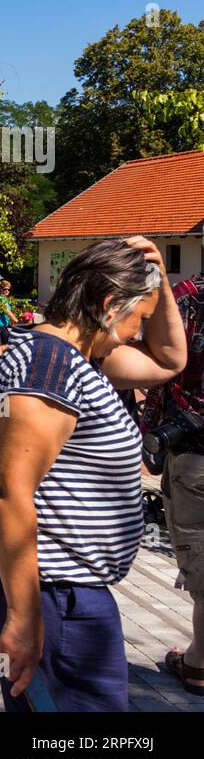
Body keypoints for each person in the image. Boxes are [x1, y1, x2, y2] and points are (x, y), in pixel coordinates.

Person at [0, 236, 186, 712]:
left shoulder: (73, 353)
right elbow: (10, 490)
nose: (138, 333)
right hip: (54, 590)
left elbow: (170, 361)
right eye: (139, 319)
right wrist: (24, 619)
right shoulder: (49, 369)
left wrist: (159, 284)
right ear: (110, 306)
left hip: (61, 585)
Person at [142, 269, 204, 697]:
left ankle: (198, 664)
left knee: (201, 561)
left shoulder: (186, 296)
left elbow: (161, 367)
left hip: (194, 450)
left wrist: (149, 432)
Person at [0, 279, 20, 345]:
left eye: (8, 289)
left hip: (4, 325)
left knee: (1, 347)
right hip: (0, 325)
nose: (7, 291)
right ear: (0, 289)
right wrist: (16, 321)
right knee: (4, 346)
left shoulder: (4, 299)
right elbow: (7, 311)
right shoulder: (1, 299)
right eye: (5, 289)